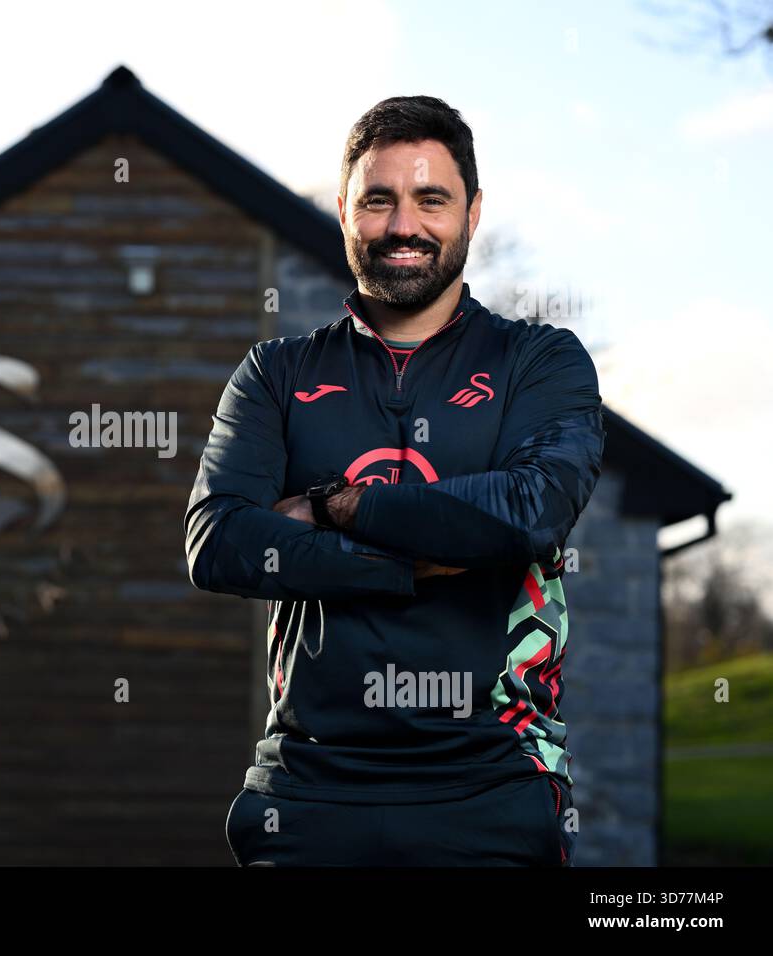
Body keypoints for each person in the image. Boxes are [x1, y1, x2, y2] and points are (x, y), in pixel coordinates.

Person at [184, 95, 602, 866]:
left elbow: (530, 511)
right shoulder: (275, 374)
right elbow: (220, 543)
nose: (403, 225)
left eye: (430, 199)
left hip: (493, 783)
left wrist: (330, 505)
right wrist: (408, 561)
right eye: (379, 200)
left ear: (473, 212)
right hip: (307, 790)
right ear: (345, 210)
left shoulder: (540, 362)